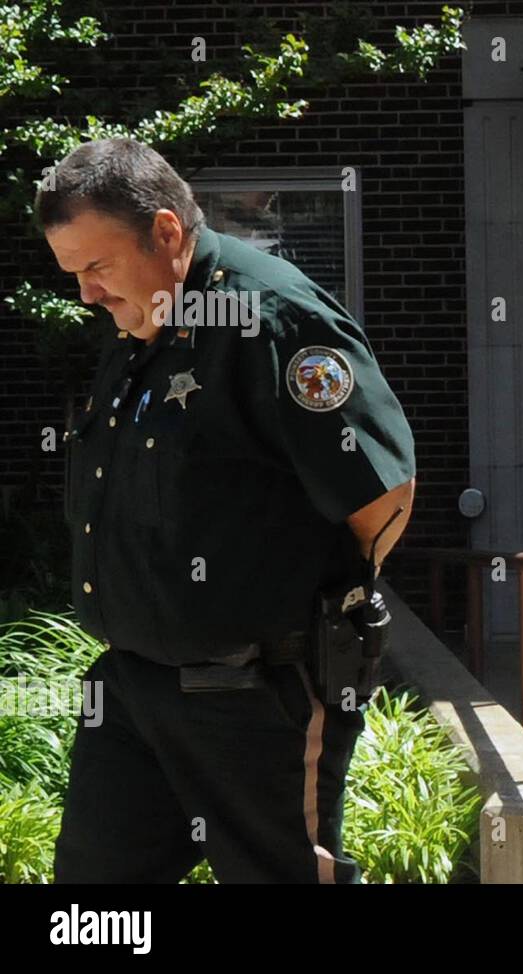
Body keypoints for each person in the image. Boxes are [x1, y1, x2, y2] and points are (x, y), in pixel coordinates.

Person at [39, 138, 417, 883]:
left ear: (167, 233)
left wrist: (302, 606)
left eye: (96, 267)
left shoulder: (271, 319)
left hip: (254, 697)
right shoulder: (141, 319)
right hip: (133, 684)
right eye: (74, 274)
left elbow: (383, 496)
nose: (87, 295)